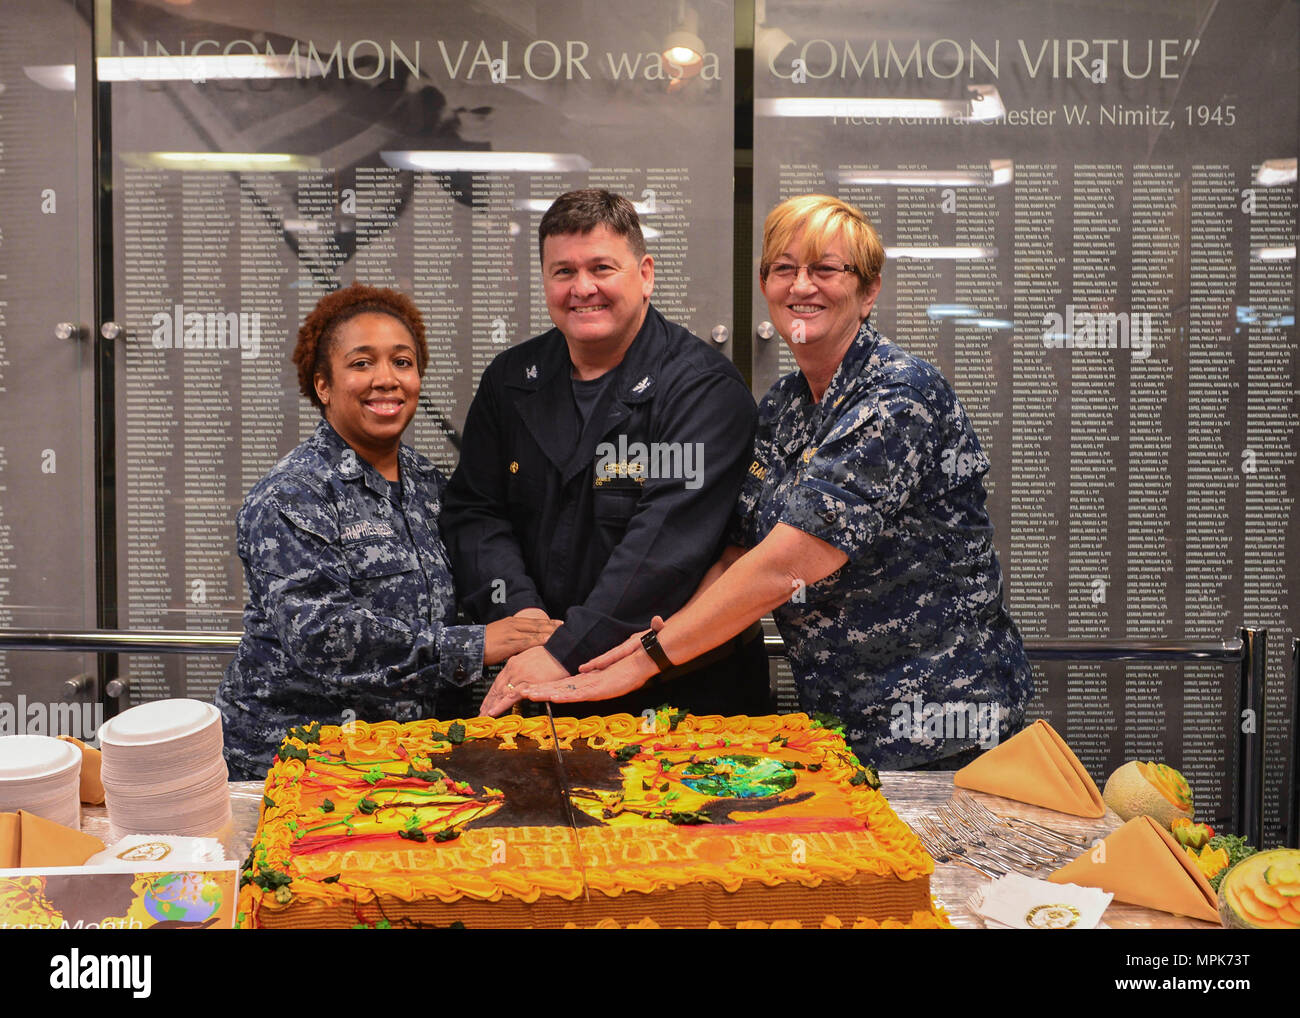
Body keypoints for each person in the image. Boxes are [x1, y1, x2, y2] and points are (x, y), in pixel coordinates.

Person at [487, 194, 1033, 770]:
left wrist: (643, 661)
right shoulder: (784, 406)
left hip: (944, 726)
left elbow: (788, 562)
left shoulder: (898, 394)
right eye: (783, 268)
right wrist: (649, 642)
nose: (802, 286)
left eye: (826, 268)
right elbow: (739, 553)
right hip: (839, 722)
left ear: (868, 291)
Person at [442, 189, 770, 717]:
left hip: (682, 701)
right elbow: (476, 512)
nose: (583, 288)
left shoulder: (701, 390)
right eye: (563, 272)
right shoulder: (510, 381)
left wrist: (563, 649)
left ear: (645, 274)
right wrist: (522, 618)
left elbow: (663, 549)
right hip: (544, 681)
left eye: (601, 267)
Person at [216, 284, 558, 780]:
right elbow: (322, 637)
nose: (386, 380)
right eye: (361, 364)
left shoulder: (431, 485)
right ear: (323, 386)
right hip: (303, 766)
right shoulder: (293, 494)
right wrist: (478, 645)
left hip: (407, 764)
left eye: (402, 362)